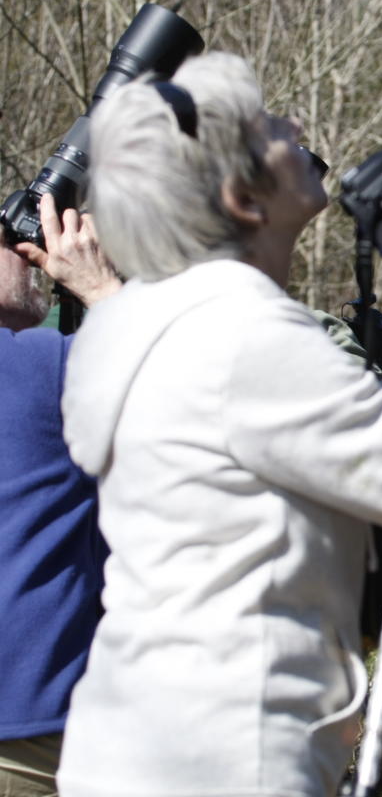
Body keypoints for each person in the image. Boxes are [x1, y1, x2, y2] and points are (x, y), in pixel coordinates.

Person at [54, 52, 382, 797]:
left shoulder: (136, 327)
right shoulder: (244, 340)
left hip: (132, 742)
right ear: (243, 196)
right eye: (271, 127)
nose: (295, 126)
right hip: (233, 760)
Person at [0, 197, 120, 797]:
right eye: (7, 237)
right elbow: (186, 380)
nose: (27, 252)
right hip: (30, 744)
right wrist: (101, 285)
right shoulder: (45, 367)